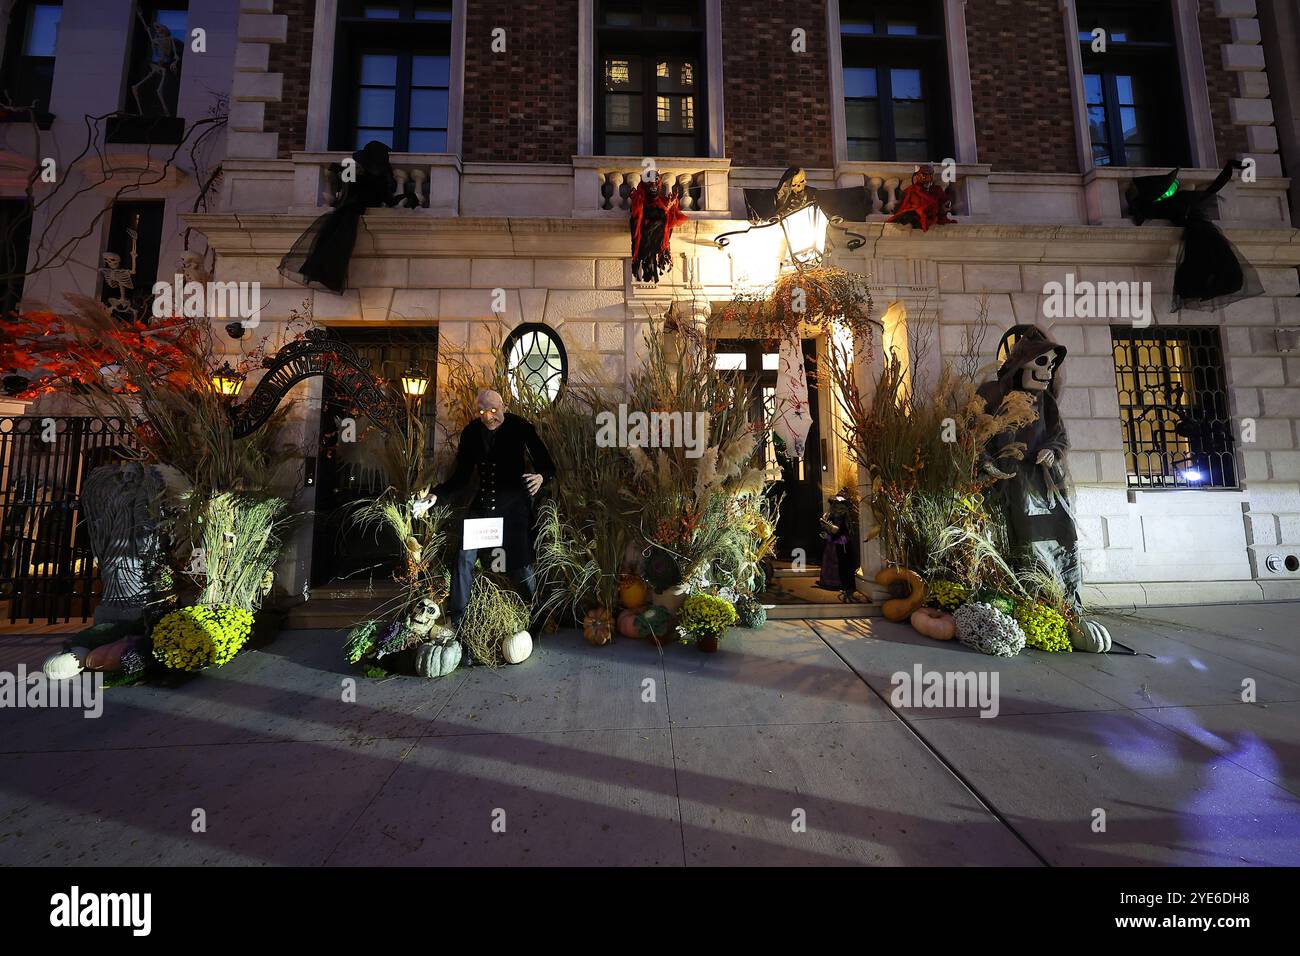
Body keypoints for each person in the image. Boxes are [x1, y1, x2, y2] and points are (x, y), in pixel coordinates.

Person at [415, 389, 555, 630]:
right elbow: (461, 478)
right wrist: (435, 496)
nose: (488, 417)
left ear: (504, 406)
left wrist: (541, 477)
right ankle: (458, 620)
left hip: (513, 508)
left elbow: (547, 464)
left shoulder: (521, 427)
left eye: (493, 411)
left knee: (520, 565)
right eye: (481, 412)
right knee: (463, 557)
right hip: (483, 508)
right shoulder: (470, 433)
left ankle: (538, 615)